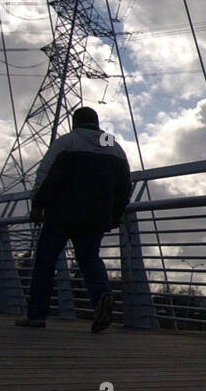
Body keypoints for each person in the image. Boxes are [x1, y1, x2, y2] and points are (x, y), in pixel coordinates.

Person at [16, 106, 133, 333]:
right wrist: (114, 215)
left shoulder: (68, 141)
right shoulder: (112, 145)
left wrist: (37, 205)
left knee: (45, 263)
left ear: (75, 122)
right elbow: (125, 186)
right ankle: (102, 296)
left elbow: (46, 175)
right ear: (97, 123)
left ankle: (36, 315)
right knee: (89, 259)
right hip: (95, 217)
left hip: (61, 214)